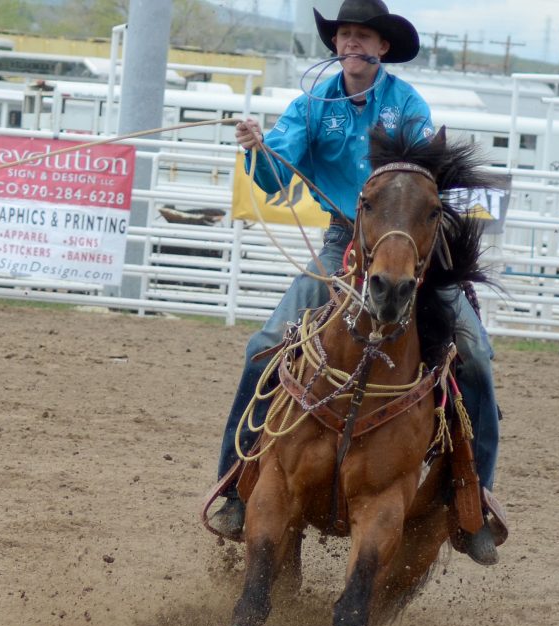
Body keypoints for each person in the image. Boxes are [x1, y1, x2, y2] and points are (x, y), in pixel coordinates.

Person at [207, 0, 504, 566]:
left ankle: (474, 501)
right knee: (263, 348)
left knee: (477, 357)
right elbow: (275, 176)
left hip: (410, 248)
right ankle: (234, 485)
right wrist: (259, 147)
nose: (352, 45)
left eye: (363, 36)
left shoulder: (407, 106)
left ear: (382, 47)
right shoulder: (314, 103)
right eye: (344, 35)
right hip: (343, 243)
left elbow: (423, 173)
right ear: (337, 44)